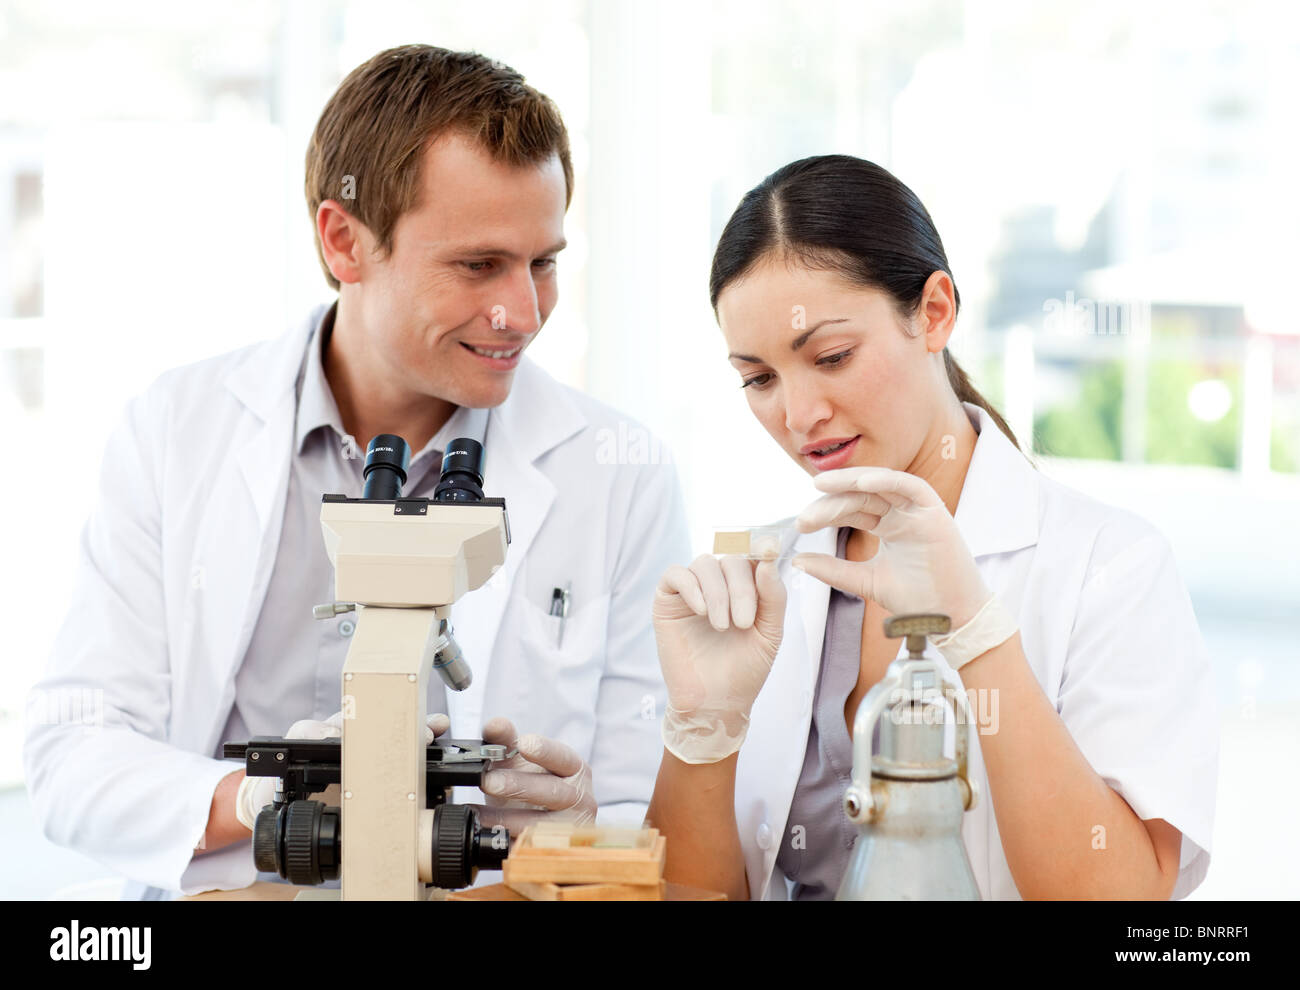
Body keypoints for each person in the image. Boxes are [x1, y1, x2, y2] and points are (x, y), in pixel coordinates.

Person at [23, 45, 689, 899]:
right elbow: (74, 751)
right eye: (478, 264)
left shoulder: (619, 475)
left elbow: (644, 813)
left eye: (545, 262)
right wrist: (271, 801)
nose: (522, 312)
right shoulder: (177, 431)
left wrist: (581, 818)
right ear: (344, 240)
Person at [645, 155, 1218, 901]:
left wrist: (981, 637)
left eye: (832, 356)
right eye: (759, 378)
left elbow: (1124, 900)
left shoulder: (1110, 566)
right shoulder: (765, 576)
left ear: (935, 311)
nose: (797, 415)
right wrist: (701, 730)